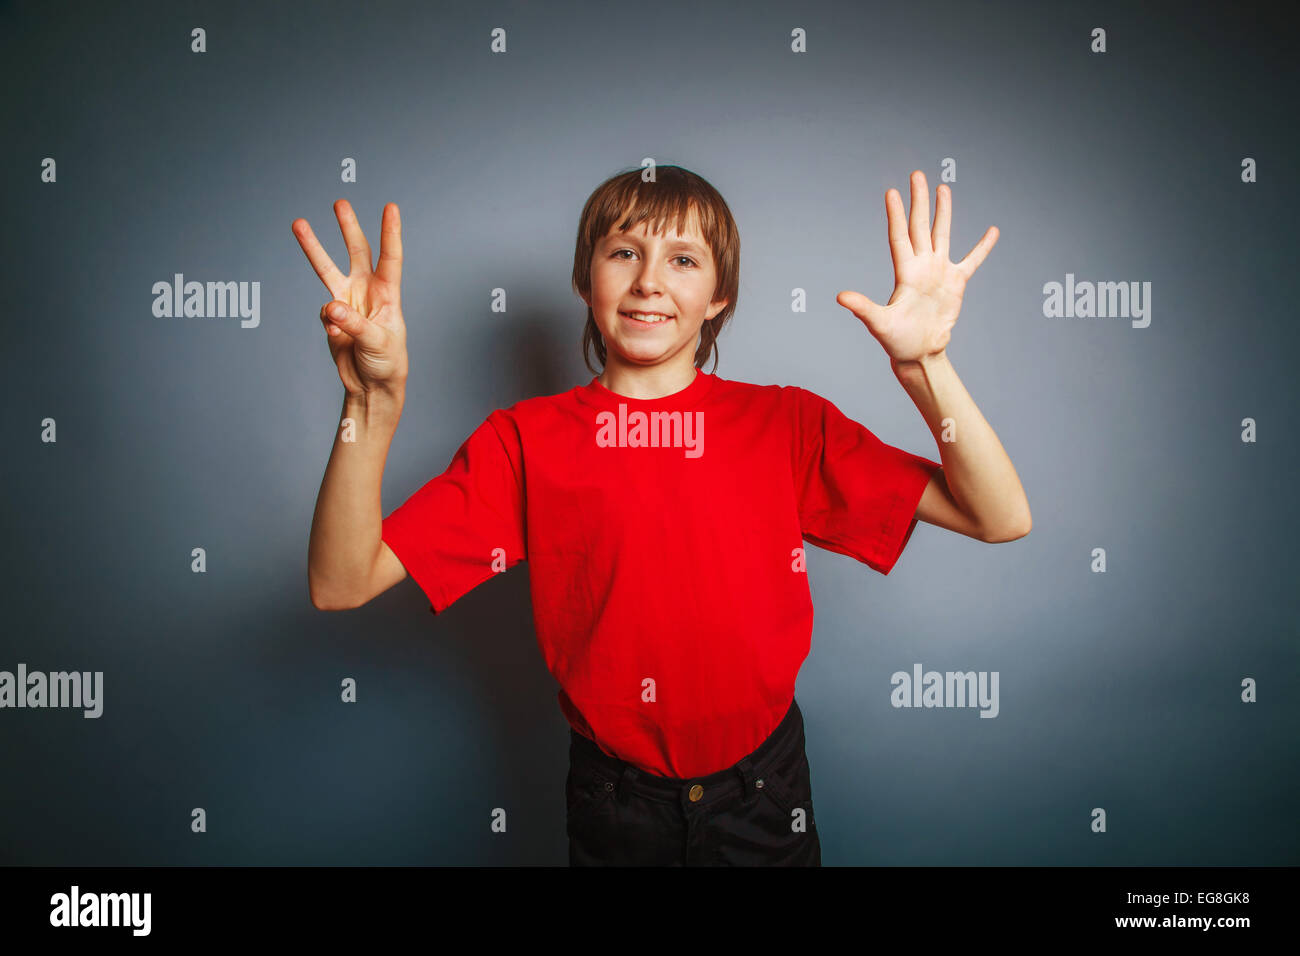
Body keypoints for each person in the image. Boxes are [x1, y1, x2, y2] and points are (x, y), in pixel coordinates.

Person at [294, 165, 1031, 866]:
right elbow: (342, 581)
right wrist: (370, 404)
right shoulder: (524, 442)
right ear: (587, 278)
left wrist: (925, 366)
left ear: (718, 295)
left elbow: (997, 517)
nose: (649, 280)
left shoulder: (786, 424)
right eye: (624, 251)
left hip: (765, 793)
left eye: (683, 259)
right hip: (617, 803)